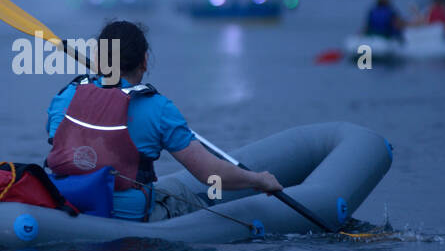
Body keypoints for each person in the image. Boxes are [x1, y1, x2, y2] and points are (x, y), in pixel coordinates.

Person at [45, 20, 282, 221]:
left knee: (173, 188)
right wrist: (258, 180)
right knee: (190, 197)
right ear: (145, 61)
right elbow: (210, 175)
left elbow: (60, 141)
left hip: (71, 203)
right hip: (128, 214)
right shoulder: (158, 108)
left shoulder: (67, 95)